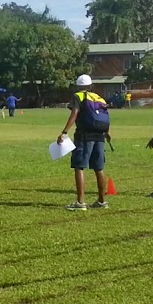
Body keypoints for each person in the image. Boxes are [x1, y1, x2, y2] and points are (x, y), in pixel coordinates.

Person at [58, 75, 111, 211]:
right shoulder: (98, 97)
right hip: (100, 135)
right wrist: (107, 133)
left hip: (84, 135)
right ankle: (101, 201)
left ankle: (80, 202)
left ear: (78, 86)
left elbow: (74, 113)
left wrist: (64, 132)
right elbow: (104, 116)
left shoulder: (78, 96)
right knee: (99, 168)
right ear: (91, 85)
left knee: (79, 166)